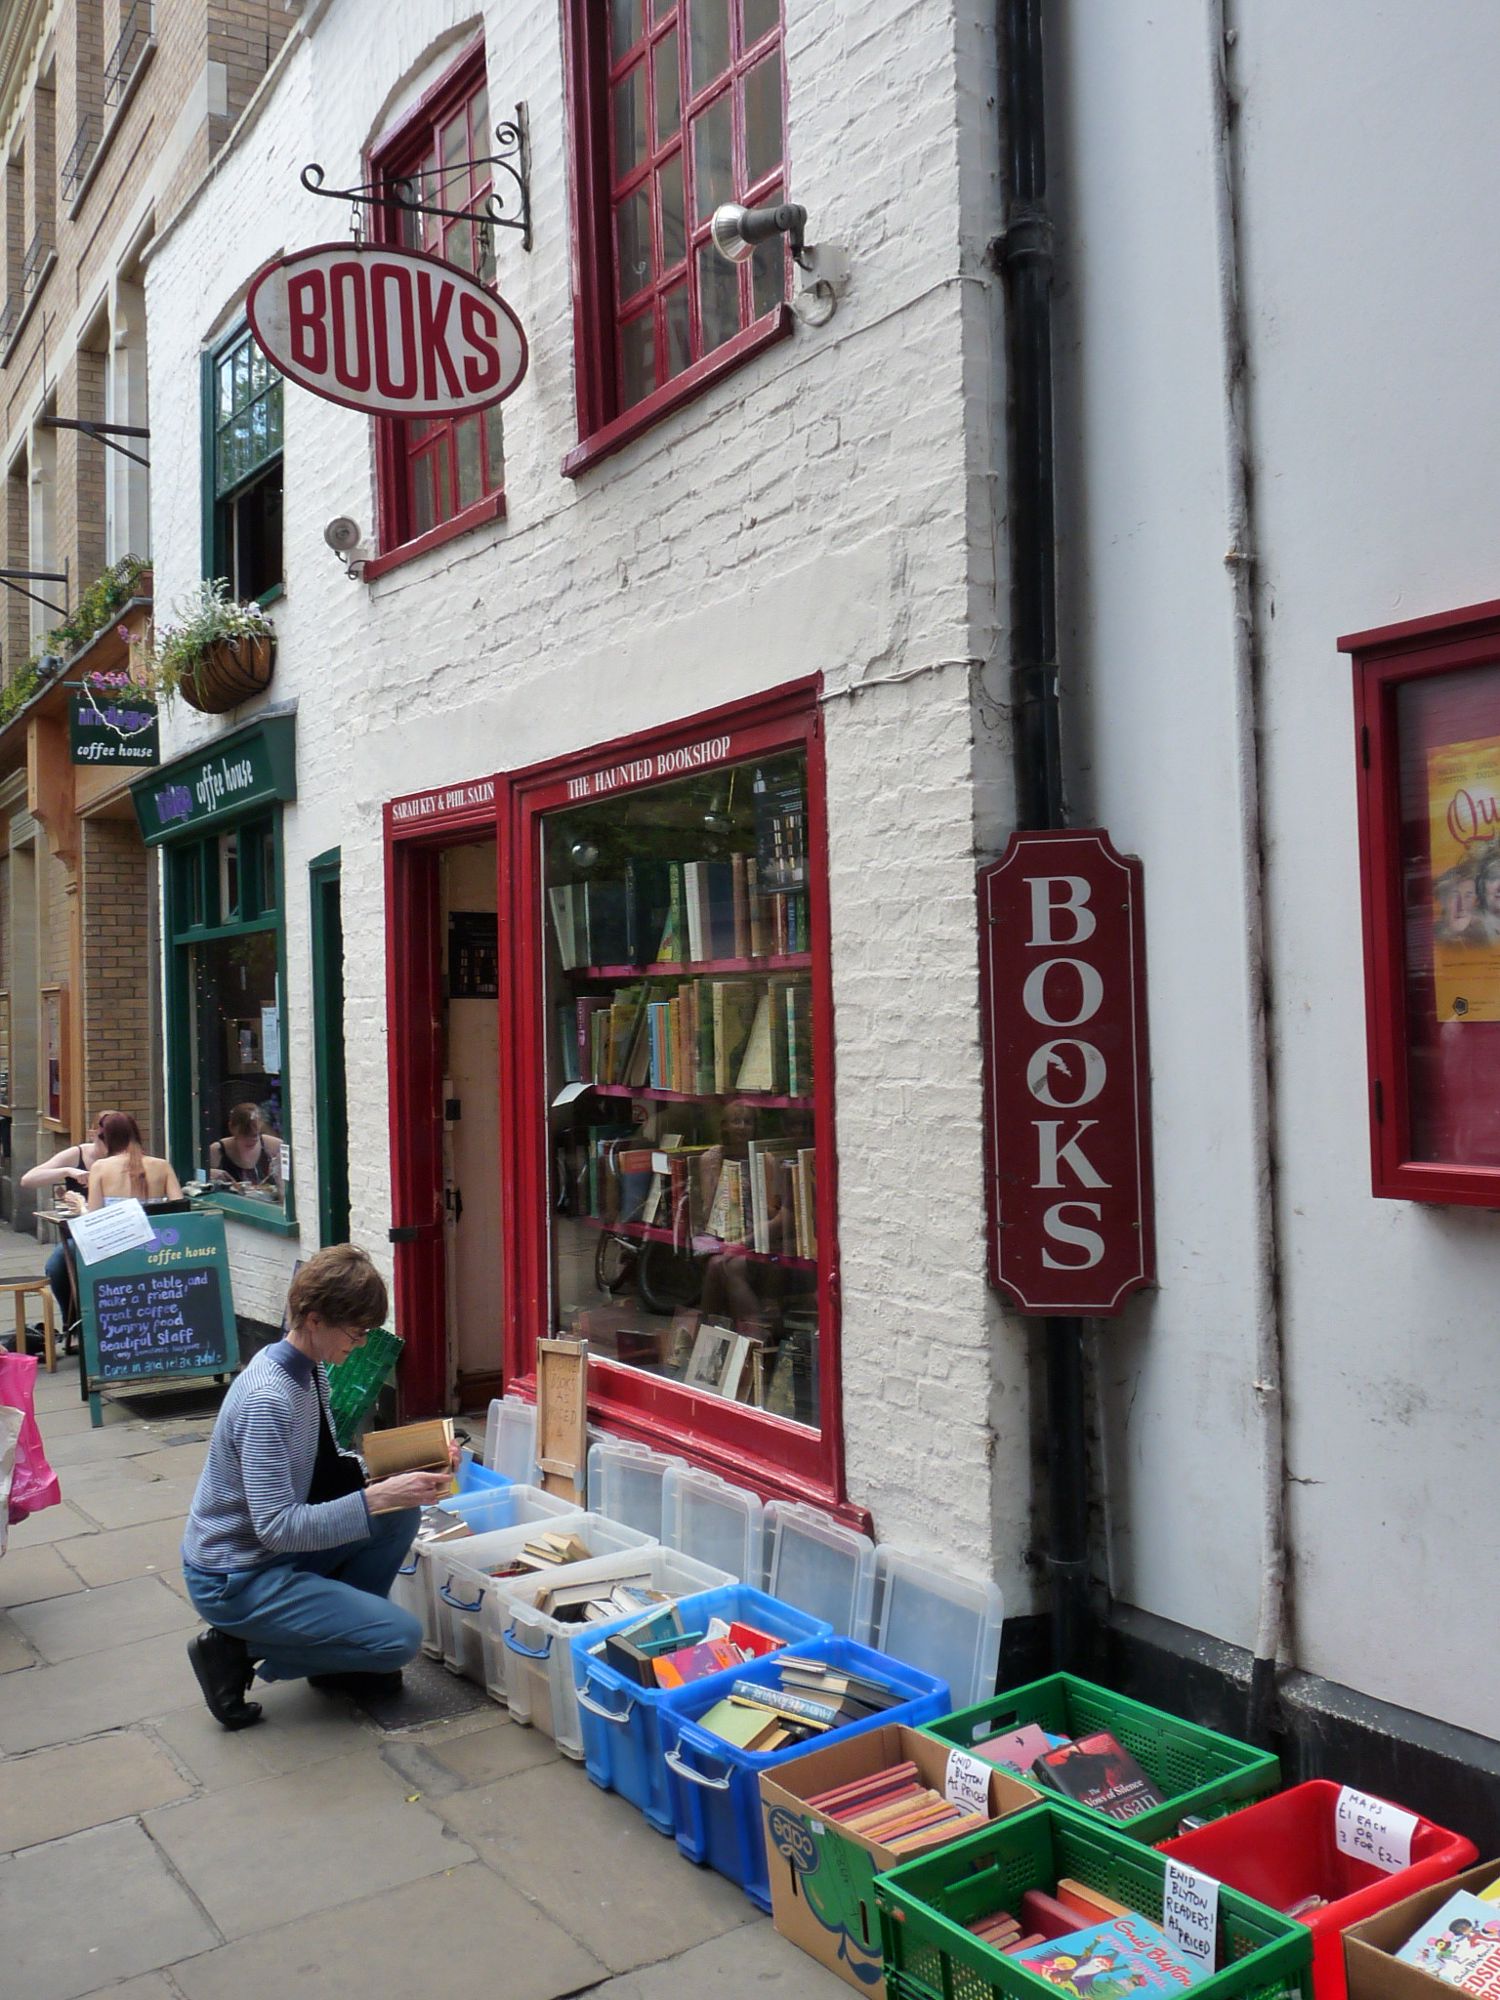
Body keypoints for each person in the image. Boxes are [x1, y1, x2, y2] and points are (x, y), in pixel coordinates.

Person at [180, 1245, 451, 1730]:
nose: (364, 1343)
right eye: (357, 1331)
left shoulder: (309, 1370)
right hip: (235, 1575)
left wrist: (410, 1468)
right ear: (313, 1318)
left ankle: (339, 1656)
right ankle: (235, 1646)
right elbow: (277, 1529)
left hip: (269, 1556)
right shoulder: (269, 1400)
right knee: (400, 1640)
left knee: (399, 1514)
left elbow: (330, 1466)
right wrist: (378, 1496)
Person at [19, 1110, 112, 1336]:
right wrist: (67, 1171)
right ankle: (73, 1324)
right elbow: (28, 1180)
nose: (110, 1147)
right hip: (82, 1234)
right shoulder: (78, 1153)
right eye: (105, 1140)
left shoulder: (125, 1157)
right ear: (93, 1134)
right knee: (58, 1265)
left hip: (116, 1232)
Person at [87, 1111, 182, 1207]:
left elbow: (94, 1214)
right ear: (136, 1134)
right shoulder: (163, 1166)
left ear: (106, 1138)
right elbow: (179, 1207)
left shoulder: (99, 1167)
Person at [209, 1102, 283, 1193]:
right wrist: (210, 1174)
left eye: (255, 1135)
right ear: (231, 1128)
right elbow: (202, 1184)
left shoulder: (275, 1146)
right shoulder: (217, 1150)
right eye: (244, 1135)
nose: (251, 1140)